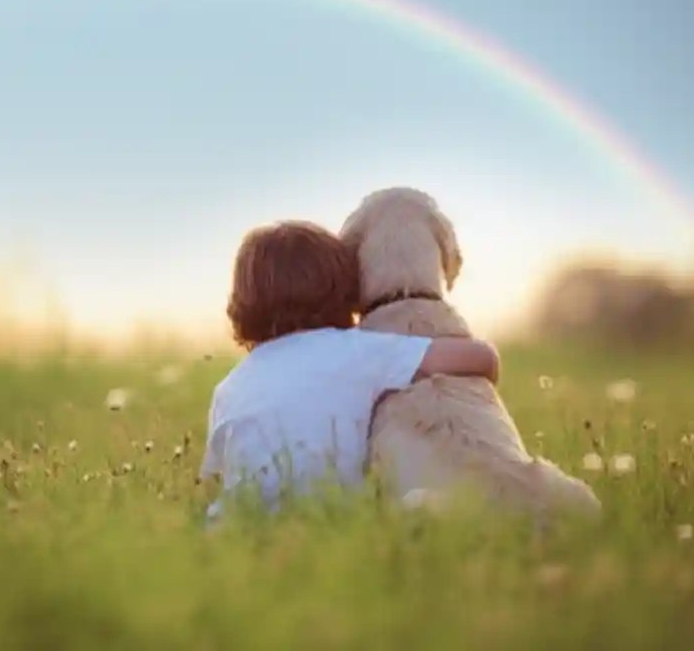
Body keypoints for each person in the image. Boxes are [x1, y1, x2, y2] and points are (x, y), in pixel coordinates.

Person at [199, 220, 499, 518]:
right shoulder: (360, 349)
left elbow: (213, 479)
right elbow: (480, 359)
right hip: (331, 517)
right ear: (345, 289)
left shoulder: (228, 387)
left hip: (238, 526)